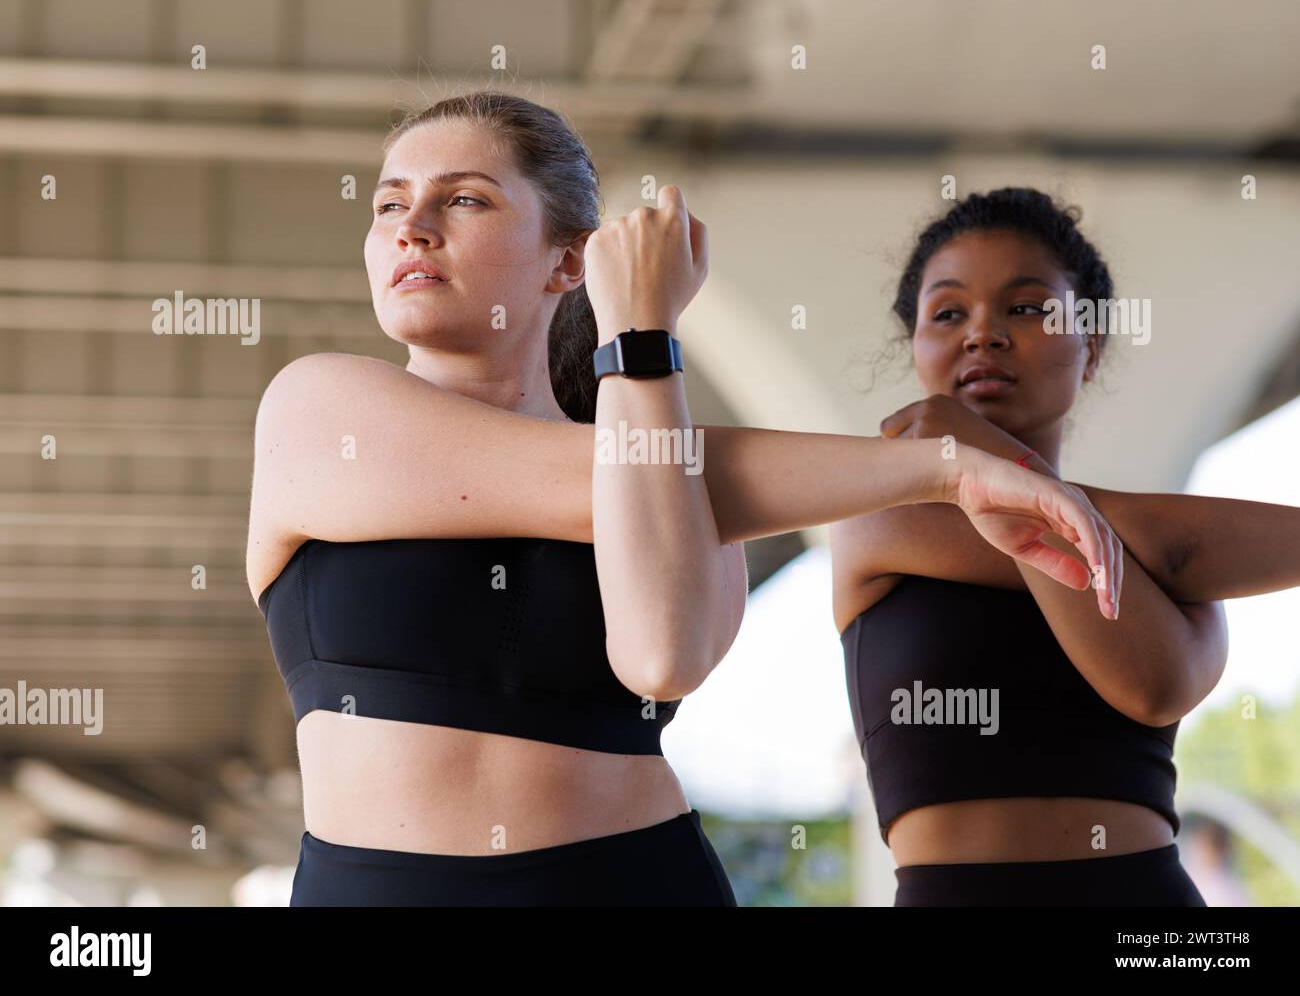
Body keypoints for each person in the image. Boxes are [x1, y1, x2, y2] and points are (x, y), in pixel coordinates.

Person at [247, 98, 1122, 906]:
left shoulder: (671, 462)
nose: (414, 229)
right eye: (390, 205)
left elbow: (662, 657)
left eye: (465, 200)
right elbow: (607, 476)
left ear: (568, 260)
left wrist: (642, 335)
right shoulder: (319, 407)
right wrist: (946, 470)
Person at [834, 187, 1300, 906]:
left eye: (1026, 308)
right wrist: (1001, 476)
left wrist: (985, 449)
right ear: (917, 346)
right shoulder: (879, 515)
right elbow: (1176, 547)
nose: (982, 334)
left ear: (1092, 348)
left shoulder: (1168, 551)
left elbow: (1152, 684)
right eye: (949, 312)